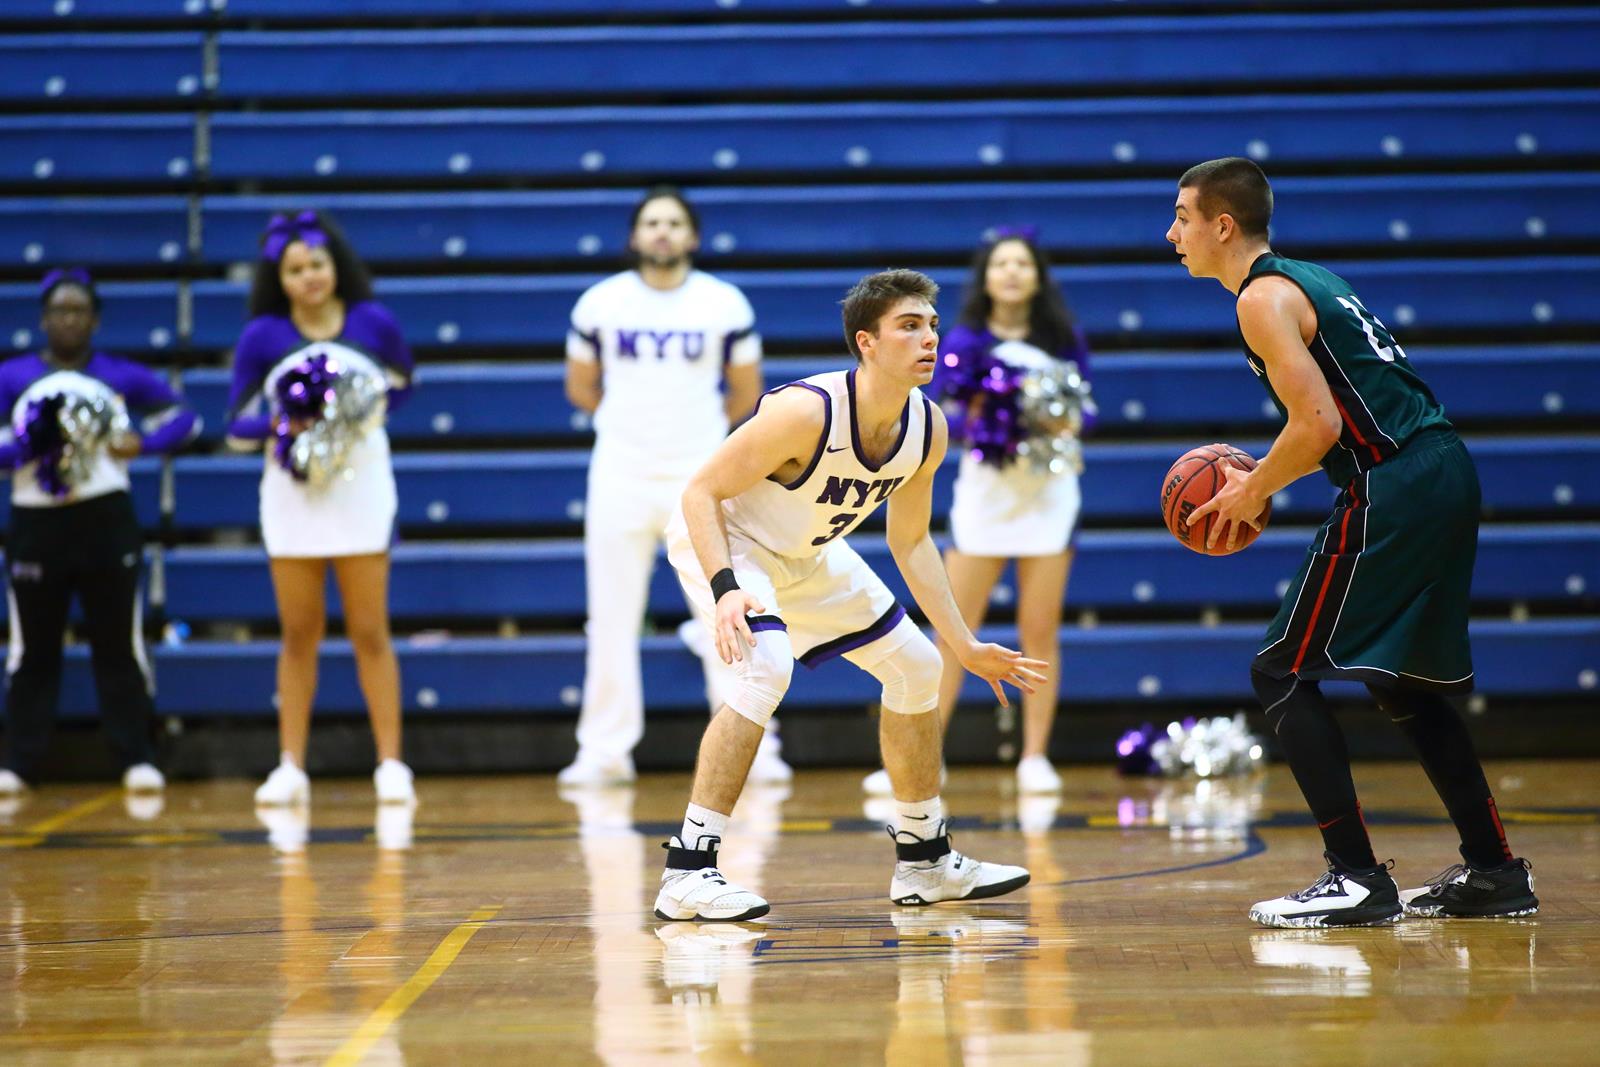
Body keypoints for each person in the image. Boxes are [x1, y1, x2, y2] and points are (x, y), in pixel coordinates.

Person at [1167, 157, 1536, 927]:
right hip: (1439, 467)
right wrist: (1266, 472)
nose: (1172, 234)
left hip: (1396, 480)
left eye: (1182, 216)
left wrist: (1252, 488)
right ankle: (1496, 871)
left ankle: (1357, 876)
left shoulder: (1261, 298)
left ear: (1222, 225)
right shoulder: (1309, 278)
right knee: (1404, 685)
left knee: (1279, 670)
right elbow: (1329, 415)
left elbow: (1319, 425)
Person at [653, 269, 1047, 921]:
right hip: (730, 542)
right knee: (765, 667)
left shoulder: (927, 427)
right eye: (909, 326)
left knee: (919, 666)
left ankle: (925, 860)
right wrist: (725, 589)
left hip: (805, 553)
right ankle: (687, 872)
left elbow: (911, 543)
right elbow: (701, 493)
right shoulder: (806, 411)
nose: (930, 339)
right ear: (867, 342)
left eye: (932, 325)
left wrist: (964, 643)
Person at [561, 185, 791, 787]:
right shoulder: (600, 303)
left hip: (700, 479)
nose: (661, 231)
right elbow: (580, 387)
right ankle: (604, 752)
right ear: (635, 235)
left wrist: (697, 440)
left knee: (727, 608)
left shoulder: (724, 303)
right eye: (651, 222)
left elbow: (747, 393)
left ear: (692, 236)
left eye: (673, 222)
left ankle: (754, 748)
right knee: (610, 617)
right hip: (619, 473)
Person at [861, 229, 1093, 798]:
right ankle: (923, 761)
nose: (1012, 272)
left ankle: (1034, 757)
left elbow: (1083, 413)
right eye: (1001, 263)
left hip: (1047, 498)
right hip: (984, 500)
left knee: (1040, 632)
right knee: (951, 632)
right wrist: (994, 415)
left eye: (1022, 264)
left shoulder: (1062, 338)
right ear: (986, 277)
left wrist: (1055, 420)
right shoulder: (961, 340)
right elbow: (944, 415)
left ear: (1037, 276)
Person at [225, 211, 416, 807]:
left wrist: (352, 414)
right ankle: (290, 766)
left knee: (370, 630)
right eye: (295, 269)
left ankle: (391, 764)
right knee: (298, 632)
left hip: (361, 487)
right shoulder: (262, 336)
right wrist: (288, 422)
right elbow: (236, 427)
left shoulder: (373, 322)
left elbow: (402, 385)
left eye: (318, 264)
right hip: (294, 494)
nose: (309, 276)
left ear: (337, 266)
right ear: (278, 280)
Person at [0, 268, 199, 797]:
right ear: (43, 320)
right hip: (36, 522)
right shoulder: (13, 377)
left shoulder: (120, 375)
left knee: (119, 644)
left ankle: (136, 756)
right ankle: (20, 762)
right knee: (32, 649)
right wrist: (25, 448)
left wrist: (143, 444)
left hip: (106, 520)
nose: (69, 319)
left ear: (95, 320)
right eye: (59, 311)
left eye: (79, 311)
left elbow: (185, 417)